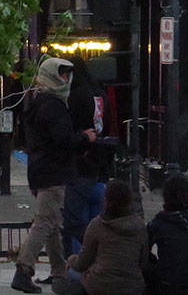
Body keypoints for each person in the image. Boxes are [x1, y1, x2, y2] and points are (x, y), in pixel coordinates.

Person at [11, 58, 95, 293]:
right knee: (45, 223)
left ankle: (60, 273)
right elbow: (63, 140)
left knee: (53, 225)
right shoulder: (55, 106)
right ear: (52, 76)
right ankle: (23, 270)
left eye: (68, 75)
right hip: (54, 172)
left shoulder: (39, 102)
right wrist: (85, 138)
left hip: (41, 170)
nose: (66, 80)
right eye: (62, 75)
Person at [61, 180, 149, 295]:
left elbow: (81, 263)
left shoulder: (97, 225)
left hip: (100, 285)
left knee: (71, 271)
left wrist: (70, 259)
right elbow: (143, 261)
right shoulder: (139, 226)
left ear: (106, 200)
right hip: (131, 286)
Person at [62, 57, 112, 257]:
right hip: (100, 168)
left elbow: (69, 132)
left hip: (80, 167)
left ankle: (77, 269)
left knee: (76, 223)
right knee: (96, 223)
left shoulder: (75, 96)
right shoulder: (101, 94)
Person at [145, 175, 188, 295]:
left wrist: (155, 262)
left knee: (147, 267)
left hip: (167, 284)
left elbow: (144, 247)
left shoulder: (158, 222)